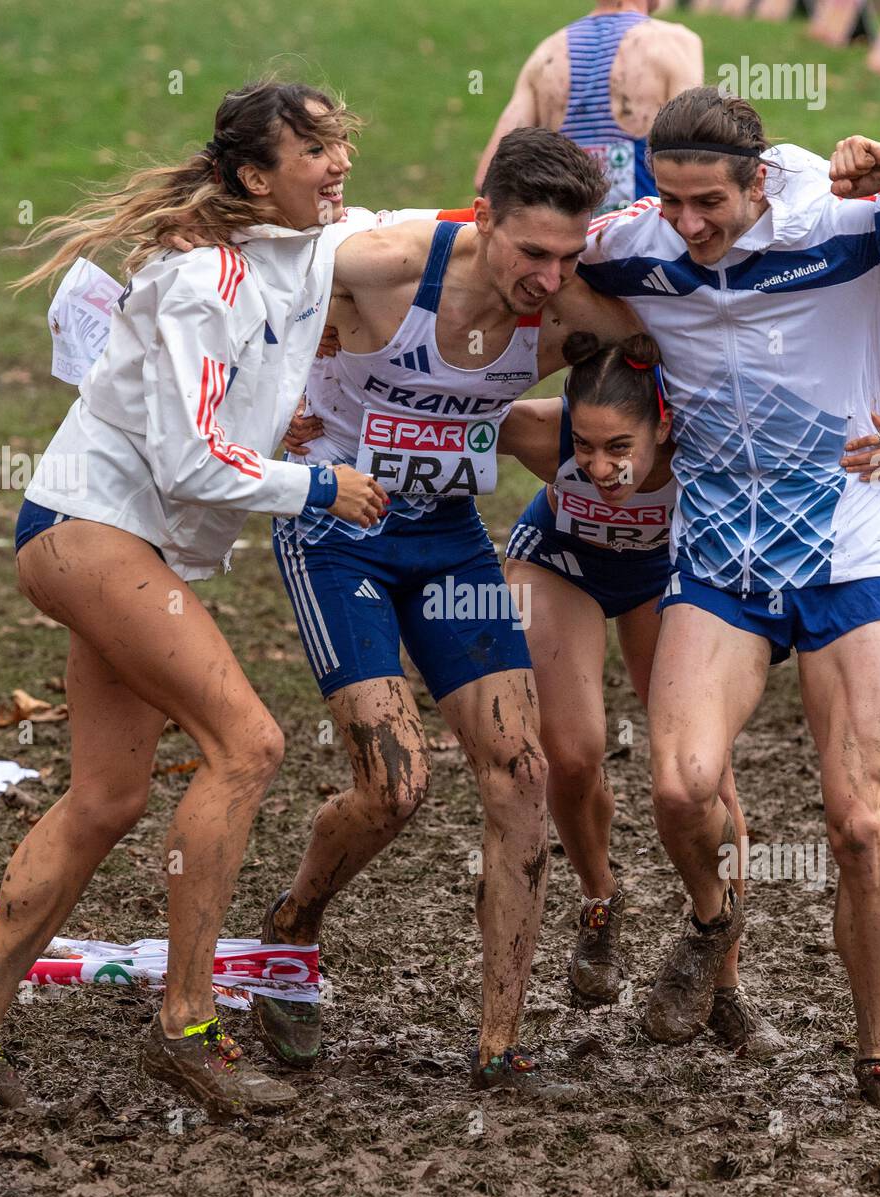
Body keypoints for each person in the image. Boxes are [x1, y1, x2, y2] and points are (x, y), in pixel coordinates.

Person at [0, 81, 388, 1121]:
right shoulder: (198, 277)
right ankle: (187, 1026)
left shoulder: (307, 240)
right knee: (249, 745)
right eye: (313, 148)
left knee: (107, 801)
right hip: (89, 534)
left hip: (107, 540)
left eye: (339, 140)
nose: (338, 160)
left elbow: (433, 232)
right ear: (256, 176)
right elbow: (192, 462)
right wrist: (318, 483)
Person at [577, 87, 880, 1115]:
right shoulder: (633, 247)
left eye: (707, 202)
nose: (688, 224)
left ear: (758, 180)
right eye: (670, 200)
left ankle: (879, 1057)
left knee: (856, 822)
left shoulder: (852, 228)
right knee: (681, 790)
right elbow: (516, 252)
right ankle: (713, 918)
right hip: (722, 553)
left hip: (849, 544)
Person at [262, 129, 645, 1097]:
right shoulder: (381, 264)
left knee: (524, 772)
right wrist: (269, 411)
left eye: (568, 256)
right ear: (482, 220)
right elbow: (226, 270)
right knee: (395, 787)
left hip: (446, 539)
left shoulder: (574, 313)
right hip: (335, 526)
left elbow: (694, 356)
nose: (549, 278)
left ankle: (497, 1046)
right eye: (531, 253)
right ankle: (290, 933)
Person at [498, 332, 880, 1058]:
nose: (601, 467)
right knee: (573, 754)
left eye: (621, 448)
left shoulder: (706, 431)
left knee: (705, 778)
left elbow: (821, 424)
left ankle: (724, 979)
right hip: (563, 560)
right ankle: (600, 899)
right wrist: (312, 401)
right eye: (585, 447)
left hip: (668, 576)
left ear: (663, 427)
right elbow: (438, 411)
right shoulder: (546, 432)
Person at [474, 0, 703, 214]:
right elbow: (694, 159)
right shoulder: (674, 43)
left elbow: (486, 177)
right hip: (646, 246)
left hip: (570, 247)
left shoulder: (546, 54)